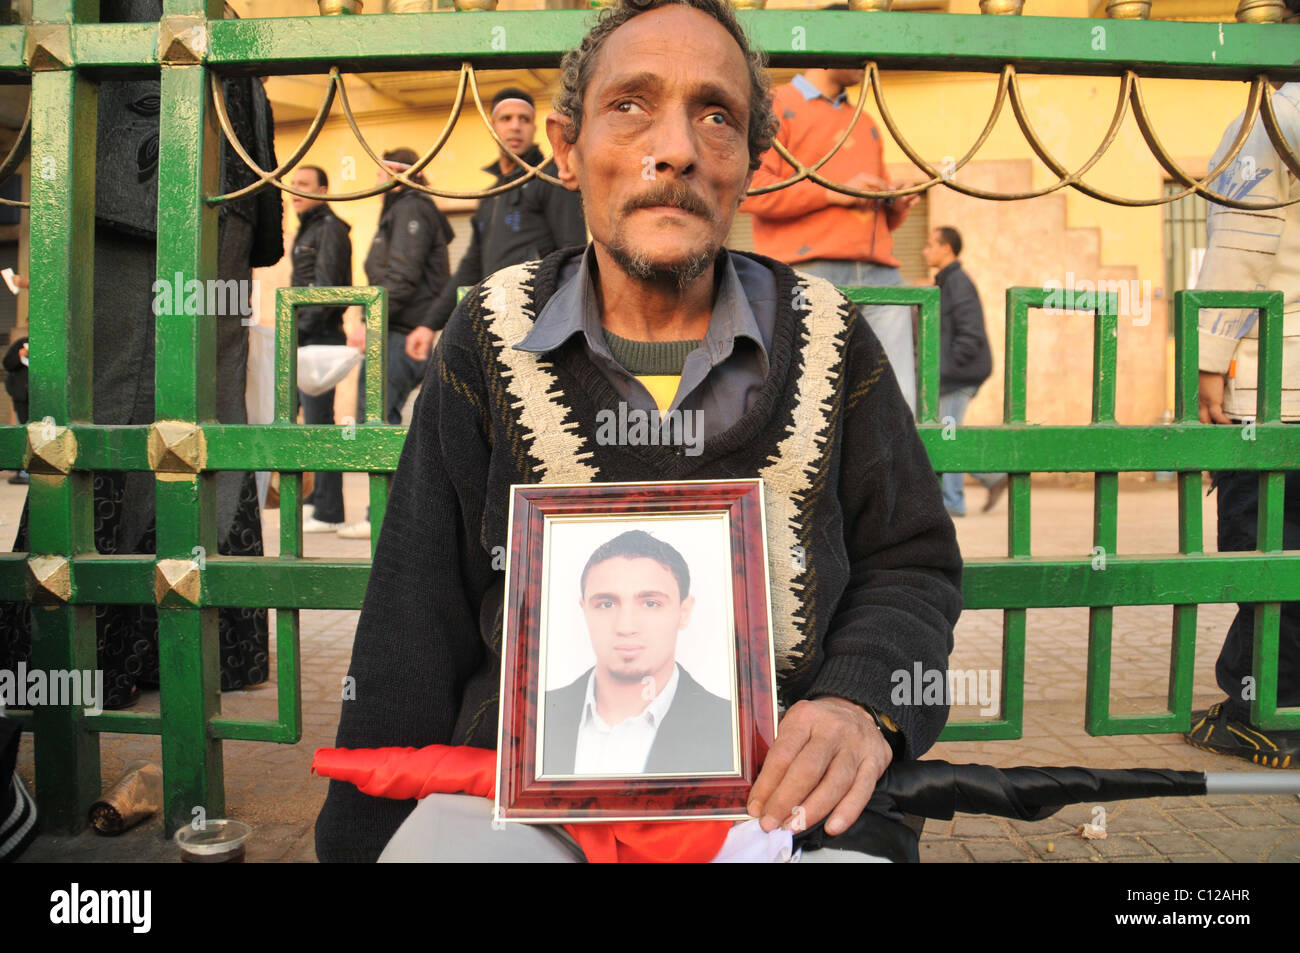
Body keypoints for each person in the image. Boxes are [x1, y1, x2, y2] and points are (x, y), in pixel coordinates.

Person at [316, 0, 961, 863]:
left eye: (717, 115)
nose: (678, 147)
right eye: (630, 105)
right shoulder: (490, 333)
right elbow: (413, 607)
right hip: (517, 797)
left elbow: (910, 562)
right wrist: (361, 837)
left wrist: (860, 701)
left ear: (751, 162)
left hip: (785, 807)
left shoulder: (831, 335)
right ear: (565, 148)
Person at [1186, 80, 1300, 768]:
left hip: (1278, 381)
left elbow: (1244, 239)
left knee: (1269, 551)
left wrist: (1209, 356)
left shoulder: (1275, 115)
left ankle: (1267, 708)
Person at [739, 23, 921, 416]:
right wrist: (833, 190)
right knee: (809, 408)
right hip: (810, 272)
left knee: (897, 403)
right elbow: (749, 189)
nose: (866, 58)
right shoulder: (772, 106)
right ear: (827, 41)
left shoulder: (867, 121)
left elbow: (879, 219)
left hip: (881, 273)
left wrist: (896, 201)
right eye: (857, 43)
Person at [404, 87, 588, 362]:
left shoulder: (551, 179)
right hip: (498, 319)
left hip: (538, 323)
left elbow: (574, 254)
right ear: (492, 126)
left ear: (535, 127)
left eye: (524, 119)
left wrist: (565, 330)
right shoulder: (491, 195)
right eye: (507, 118)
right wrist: (429, 324)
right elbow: (470, 266)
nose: (516, 126)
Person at [543, 530, 733, 777]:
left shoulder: (732, 727)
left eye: (650, 603)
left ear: (684, 611)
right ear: (584, 609)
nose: (626, 626)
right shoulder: (534, 716)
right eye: (606, 604)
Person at [337, 148, 455, 539]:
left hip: (403, 332)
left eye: (382, 171)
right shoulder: (406, 210)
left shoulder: (410, 209)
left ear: (400, 174)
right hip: (408, 330)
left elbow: (402, 276)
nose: (376, 179)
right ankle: (396, 517)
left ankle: (383, 520)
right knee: (398, 423)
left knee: (378, 422)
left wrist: (372, 321)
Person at [922, 226, 1006, 517]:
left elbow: (970, 333)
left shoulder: (957, 281)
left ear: (947, 248)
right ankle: (991, 478)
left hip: (959, 375)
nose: (925, 250)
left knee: (947, 434)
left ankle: (953, 501)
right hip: (954, 373)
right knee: (948, 432)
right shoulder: (946, 282)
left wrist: (946, 368)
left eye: (930, 244)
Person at [289, 165, 354, 533]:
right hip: (307, 335)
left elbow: (326, 290)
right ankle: (316, 500)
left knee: (320, 425)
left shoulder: (329, 228)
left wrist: (298, 332)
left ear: (324, 190)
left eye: (304, 185)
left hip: (318, 337)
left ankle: (329, 511)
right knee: (306, 423)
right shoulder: (310, 226)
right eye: (293, 184)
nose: (295, 190)